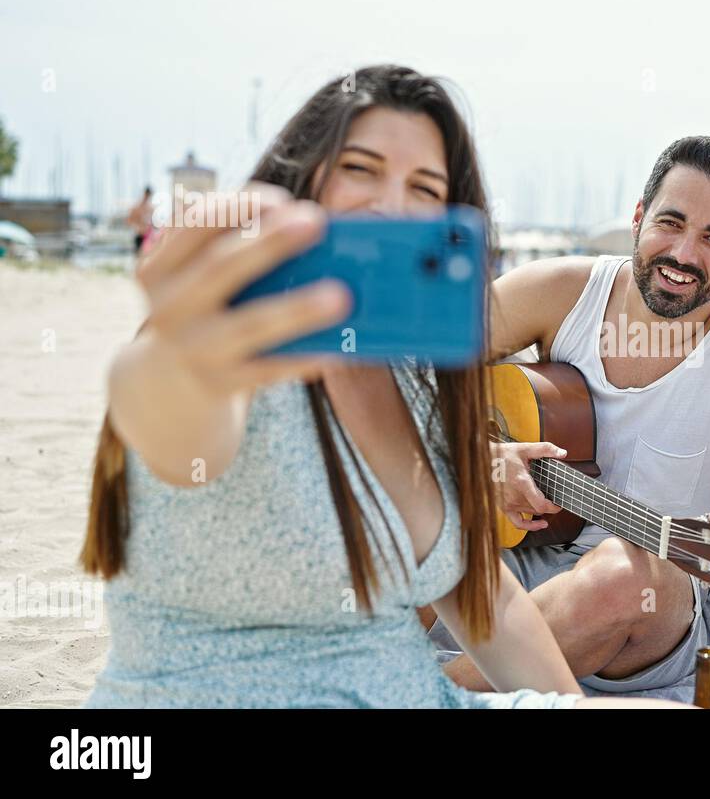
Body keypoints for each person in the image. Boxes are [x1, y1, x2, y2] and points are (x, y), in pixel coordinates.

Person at [82, 65, 673, 709]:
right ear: (304, 177)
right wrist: (168, 363)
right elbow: (172, 414)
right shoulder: (233, 347)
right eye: (360, 169)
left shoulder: (413, 377)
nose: (391, 205)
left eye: (423, 187)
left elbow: (488, 600)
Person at [430, 136, 710, 695]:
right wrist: (482, 454)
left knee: (621, 576)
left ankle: (435, 694)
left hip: (649, 610)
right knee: (398, 511)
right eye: (671, 223)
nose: (683, 254)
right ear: (638, 217)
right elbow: (408, 371)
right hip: (515, 563)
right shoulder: (560, 291)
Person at [127, 186, 154, 256]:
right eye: (146, 195)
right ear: (144, 194)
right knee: (139, 257)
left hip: (148, 236)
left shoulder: (150, 207)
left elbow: (152, 222)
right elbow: (129, 220)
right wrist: (137, 226)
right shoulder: (137, 207)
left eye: (149, 196)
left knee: (147, 257)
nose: (147, 197)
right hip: (139, 235)